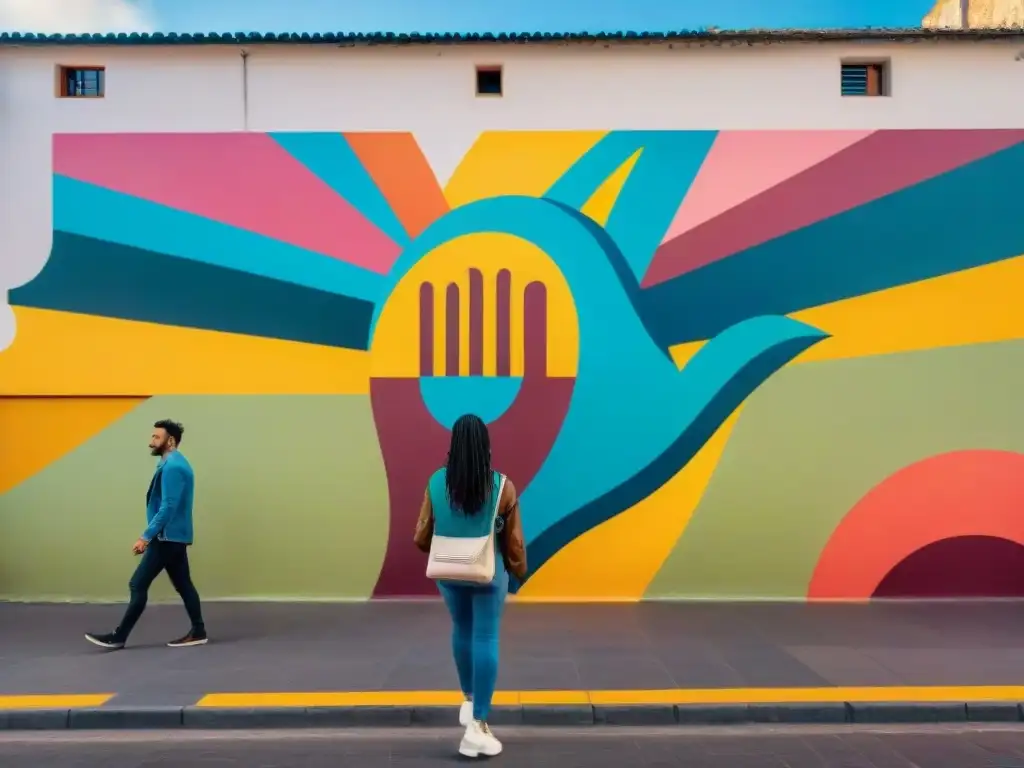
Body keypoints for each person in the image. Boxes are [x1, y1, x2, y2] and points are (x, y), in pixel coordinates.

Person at [414, 414, 527, 758]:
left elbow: (421, 535)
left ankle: (467, 698)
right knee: (485, 637)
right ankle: (478, 725)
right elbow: (515, 544)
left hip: (449, 574)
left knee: (462, 630)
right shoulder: (502, 486)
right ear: (485, 446)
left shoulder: (436, 483)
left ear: (454, 446)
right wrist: (518, 573)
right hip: (487, 574)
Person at [85, 419, 207, 650]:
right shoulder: (172, 463)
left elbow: (168, 507)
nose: (151, 441)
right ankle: (199, 630)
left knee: (137, 584)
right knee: (184, 585)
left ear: (170, 440)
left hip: (165, 537)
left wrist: (146, 536)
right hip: (173, 537)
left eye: (156, 437)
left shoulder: (173, 467)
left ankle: (118, 637)